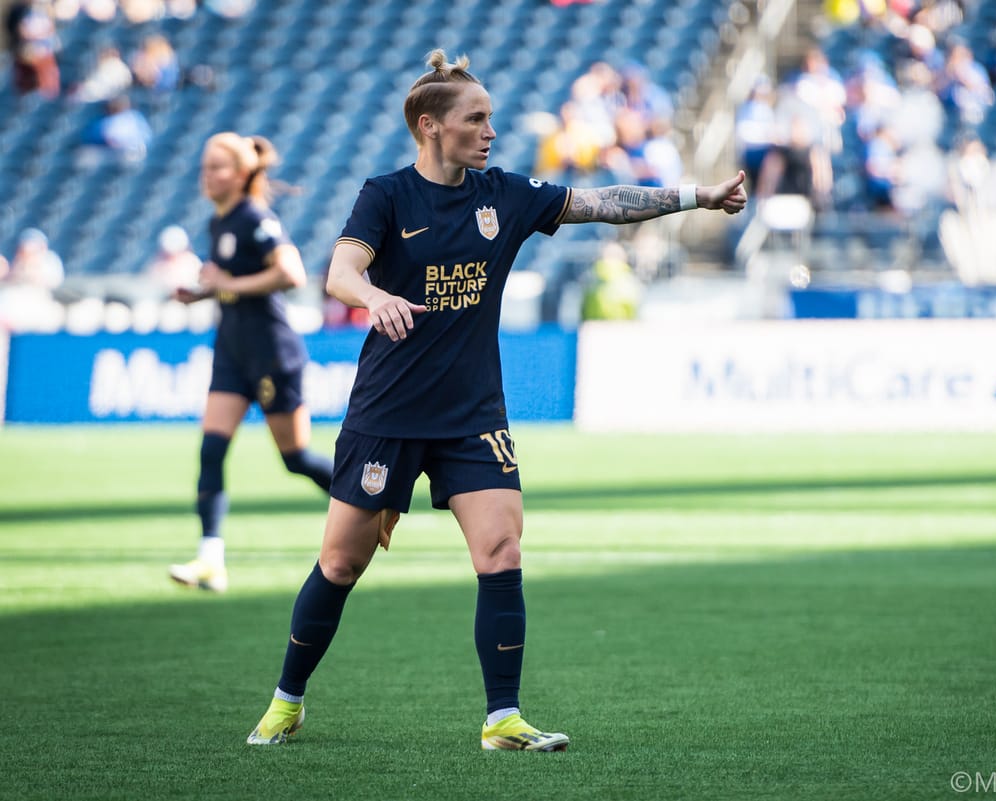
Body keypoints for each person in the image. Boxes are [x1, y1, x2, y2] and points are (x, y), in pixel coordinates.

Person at [245, 49, 746, 751]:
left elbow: (601, 205)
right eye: (474, 119)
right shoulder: (386, 195)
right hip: (387, 411)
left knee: (502, 549)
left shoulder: (504, 194)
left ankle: (502, 718)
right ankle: (286, 699)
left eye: (490, 118)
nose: (489, 132)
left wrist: (697, 196)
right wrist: (376, 296)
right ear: (429, 126)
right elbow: (340, 271)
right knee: (340, 563)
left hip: (472, 413)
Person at [168, 132, 334, 593]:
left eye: (218, 168)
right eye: (205, 168)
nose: (208, 176)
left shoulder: (255, 218)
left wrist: (226, 284)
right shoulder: (218, 223)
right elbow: (229, 282)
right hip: (232, 351)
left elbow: (291, 273)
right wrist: (202, 292)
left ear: (242, 174)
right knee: (211, 450)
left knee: (296, 459)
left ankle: (372, 500)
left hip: (271, 352)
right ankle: (210, 560)